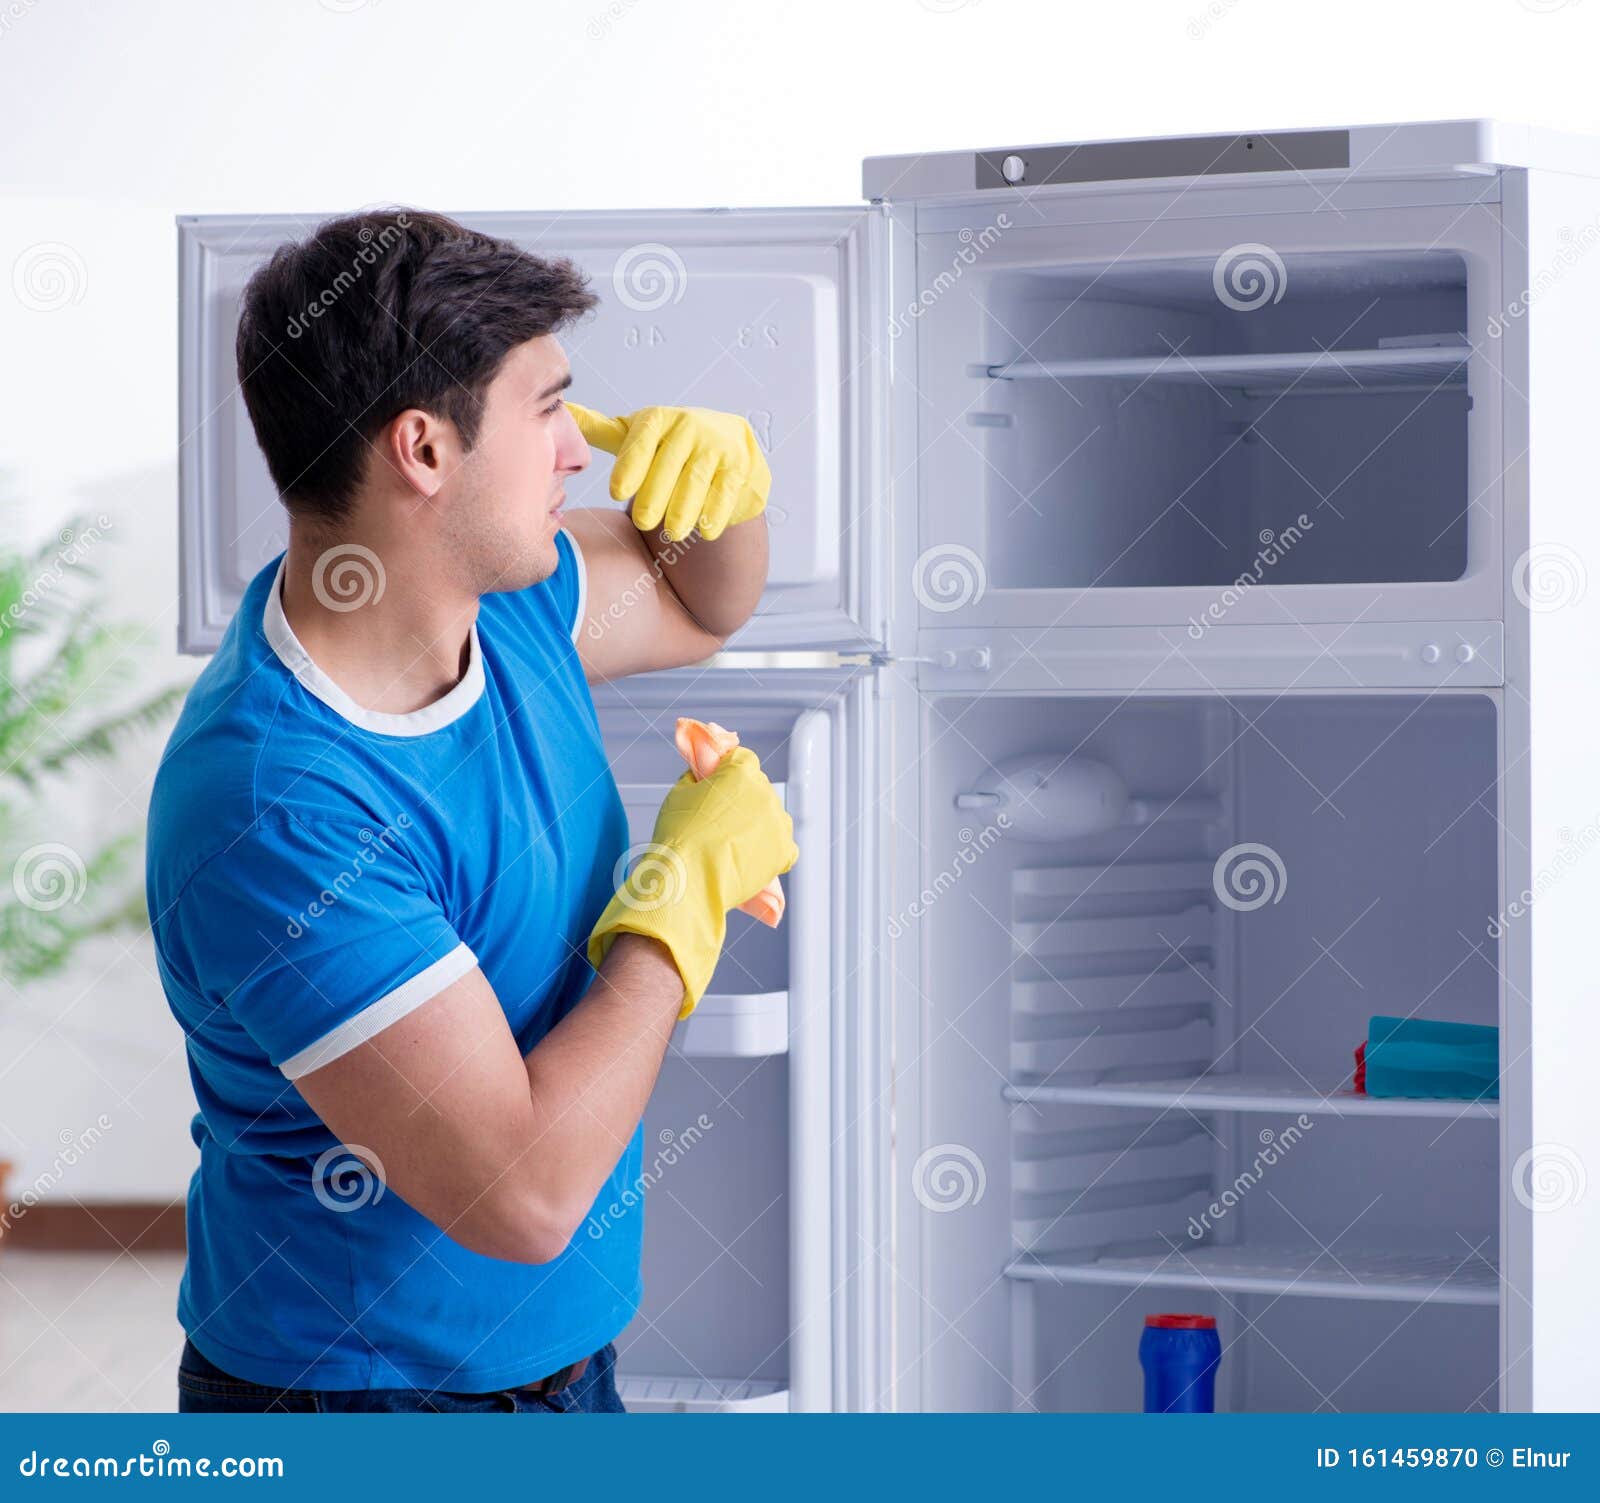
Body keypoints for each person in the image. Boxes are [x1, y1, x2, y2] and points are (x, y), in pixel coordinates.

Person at [146, 209, 797, 1413]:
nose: (577, 455)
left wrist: (727, 488)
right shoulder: (277, 809)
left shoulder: (504, 611)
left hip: (560, 1370)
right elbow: (524, 1195)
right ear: (424, 452)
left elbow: (704, 605)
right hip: (363, 1403)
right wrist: (680, 904)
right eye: (548, 409)